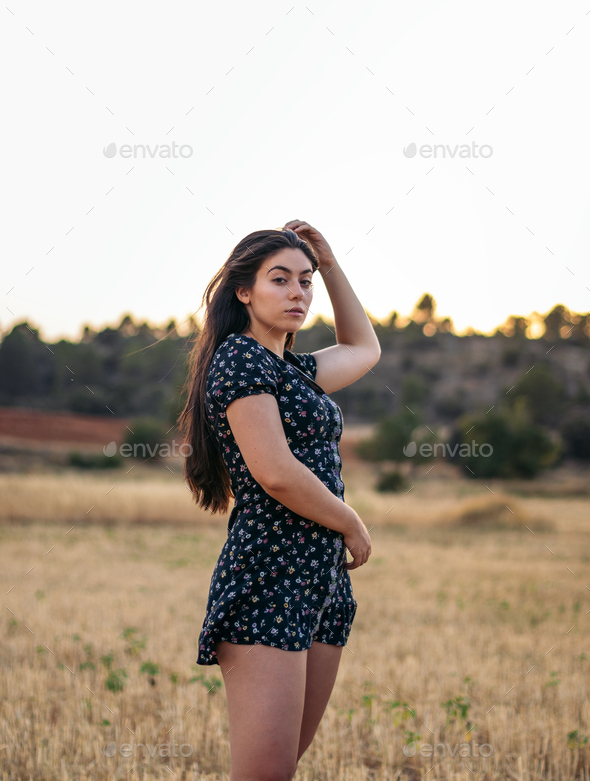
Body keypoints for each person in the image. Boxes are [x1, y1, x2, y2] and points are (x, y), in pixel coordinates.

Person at [177, 219, 381, 781]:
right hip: (270, 574)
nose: (298, 293)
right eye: (280, 279)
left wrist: (332, 264)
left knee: (279, 770)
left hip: (320, 578)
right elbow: (276, 473)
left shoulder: (293, 369)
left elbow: (364, 347)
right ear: (244, 291)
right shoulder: (241, 359)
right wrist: (351, 521)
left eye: (306, 281)